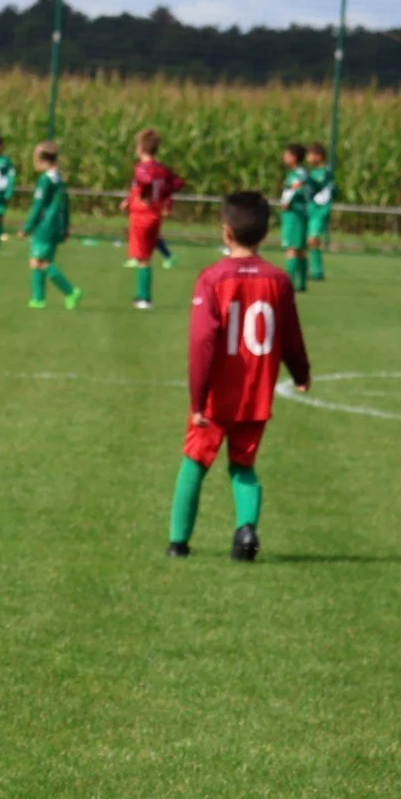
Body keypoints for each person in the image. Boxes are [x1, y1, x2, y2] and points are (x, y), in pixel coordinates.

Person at [168, 191, 311, 563]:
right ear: (265, 234)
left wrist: (198, 399)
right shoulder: (278, 280)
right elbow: (291, 334)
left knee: (195, 462)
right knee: (243, 466)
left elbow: (203, 341)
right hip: (256, 392)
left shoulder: (213, 278)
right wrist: (301, 372)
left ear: (226, 231)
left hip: (218, 394)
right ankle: (246, 529)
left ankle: (178, 543)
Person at [125, 129, 184, 310]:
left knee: (142, 259)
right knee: (146, 257)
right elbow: (178, 183)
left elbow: (145, 182)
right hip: (155, 215)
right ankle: (143, 296)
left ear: (141, 148)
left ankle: (144, 299)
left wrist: (143, 196)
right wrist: (162, 198)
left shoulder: (143, 168)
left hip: (142, 214)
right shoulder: (161, 168)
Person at [25, 141, 82, 310]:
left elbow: (38, 206)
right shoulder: (59, 179)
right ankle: (38, 299)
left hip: (45, 226)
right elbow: (65, 205)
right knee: (39, 261)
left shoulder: (45, 180)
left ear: (42, 159)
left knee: (39, 262)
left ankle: (70, 291)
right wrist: (65, 227)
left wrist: (28, 227)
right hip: (55, 225)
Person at [277, 143, 312, 292]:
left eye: (287, 155)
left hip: (294, 214)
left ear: (294, 157)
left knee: (292, 249)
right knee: (300, 250)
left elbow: (294, 189)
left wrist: (285, 202)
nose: (284, 157)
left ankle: (289, 283)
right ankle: (302, 283)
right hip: (301, 213)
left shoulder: (298, 174)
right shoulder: (303, 172)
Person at [305, 142, 334, 284]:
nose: (308, 158)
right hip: (312, 209)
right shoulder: (313, 172)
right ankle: (314, 271)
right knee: (311, 241)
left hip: (320, 209)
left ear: (319, 156)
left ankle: (317, 272)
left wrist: (306, 179)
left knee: (313, 239)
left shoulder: (325, 172)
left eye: (310, 155)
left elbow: (319, 185)